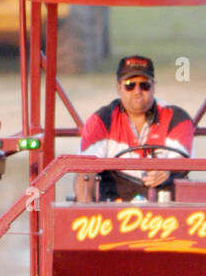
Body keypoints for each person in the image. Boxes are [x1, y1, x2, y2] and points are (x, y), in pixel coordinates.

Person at [74, 55, 195, 202]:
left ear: (154, 86)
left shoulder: (177, 119)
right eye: (130, 85)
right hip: (112, 210)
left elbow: (182, 161)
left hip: (166, 212)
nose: (137, 91)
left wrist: (167, 169)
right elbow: (84, 172)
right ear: (119, 87)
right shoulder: (101, 120)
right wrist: (88, 218)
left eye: (144, 85)